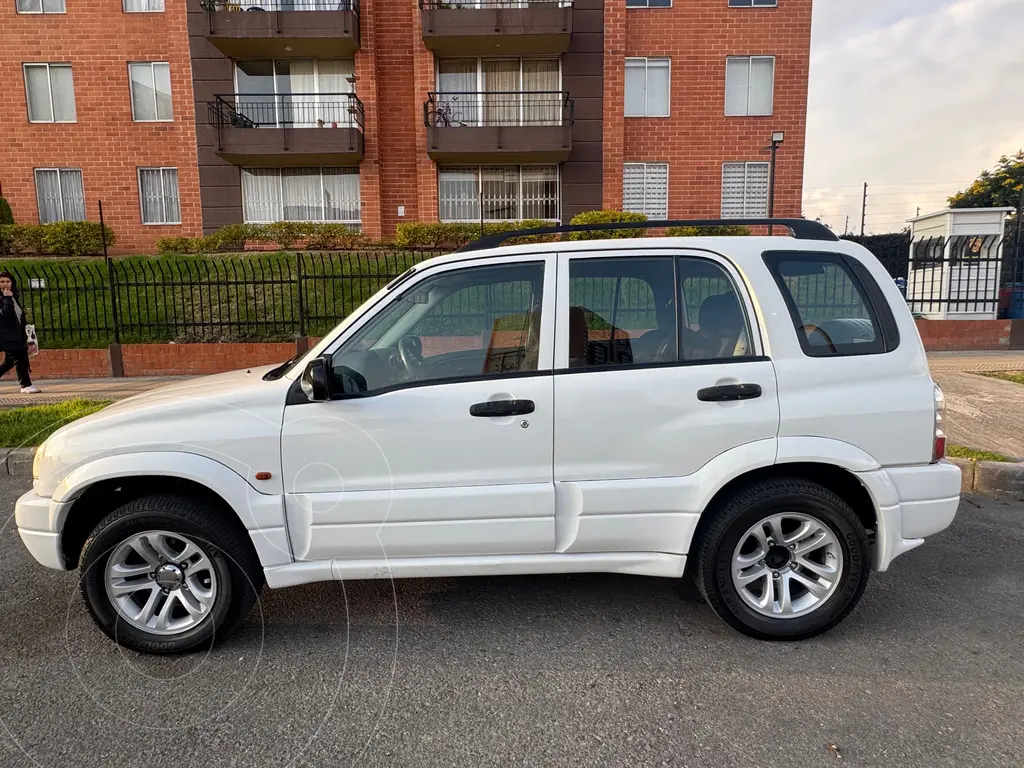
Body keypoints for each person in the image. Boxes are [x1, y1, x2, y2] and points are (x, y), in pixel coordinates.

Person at [0, 271, 40, 394]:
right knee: (20, 357)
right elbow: (6, 313)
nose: (5, 284)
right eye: (1, 282)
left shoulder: (12, 295)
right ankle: (25, 385)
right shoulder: (4, 297)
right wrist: (6, 297)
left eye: (8, 281)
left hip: (16, 334)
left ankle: (26, 385)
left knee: (10, 361)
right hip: (5, 334)